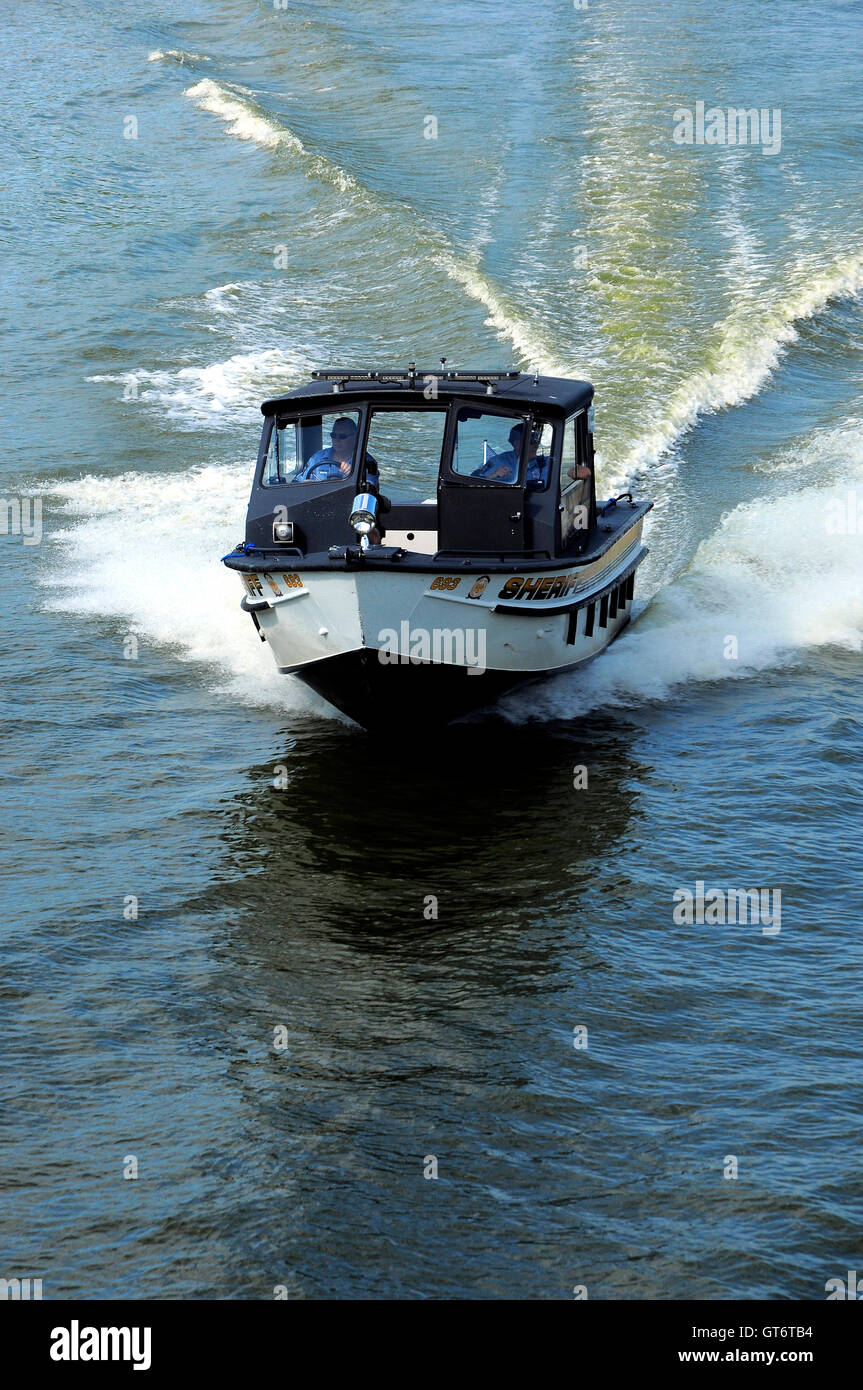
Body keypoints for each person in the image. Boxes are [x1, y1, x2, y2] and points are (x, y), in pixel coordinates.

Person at [295, 418, 379, 486]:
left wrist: (354, 475)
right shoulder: (317, 458)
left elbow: (370, 488)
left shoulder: (367, 462)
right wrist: (305, 484)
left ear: (355, 437)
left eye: (342, 436)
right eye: (333, 435)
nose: (337, 440)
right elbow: (298, 481)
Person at [472, 424, 550, 487]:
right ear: (517, 444)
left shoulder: (548, 463)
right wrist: (493, 476)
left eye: (537, 441)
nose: (536, 445)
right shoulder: (497, 461)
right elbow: (473, 482)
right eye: (532, 441)